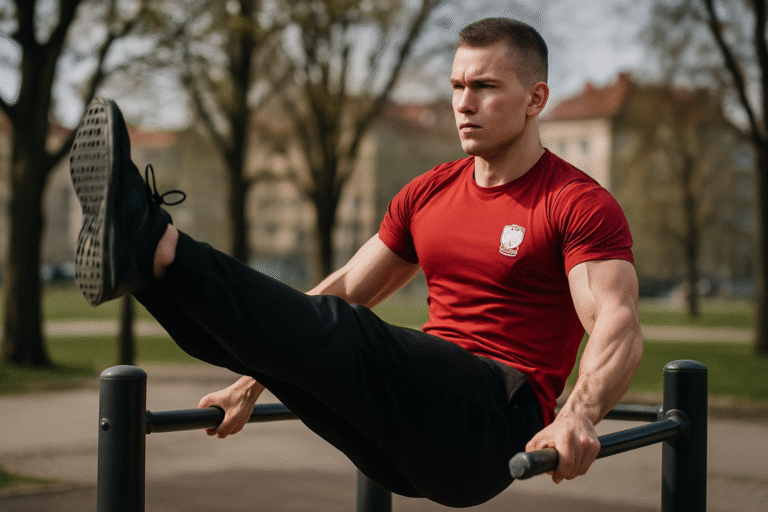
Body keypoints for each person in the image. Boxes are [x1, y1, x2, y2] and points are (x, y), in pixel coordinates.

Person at [69, 17, 643, 508]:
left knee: (353, 336)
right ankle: (147, 269)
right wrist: (249, 384)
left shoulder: (575, 202)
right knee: (306, 344)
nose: (464, 104)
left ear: (535, 99)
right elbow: (343, 286)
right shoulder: (429, 193)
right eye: (457, 86)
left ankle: (158, 244)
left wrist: (579, 413)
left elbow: (616, 320)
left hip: (495, 423)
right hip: (406, 439)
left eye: (486, 87)